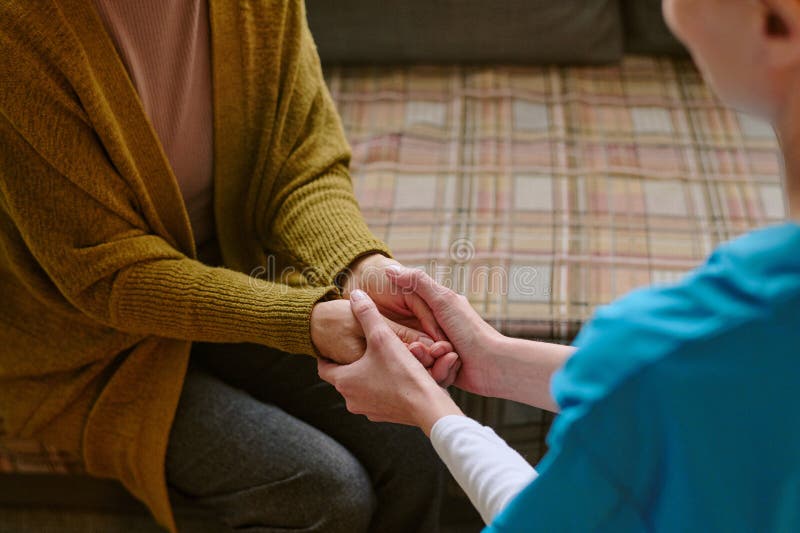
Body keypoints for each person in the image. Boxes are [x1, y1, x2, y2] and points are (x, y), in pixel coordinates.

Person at [318, 0, 800, 531]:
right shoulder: (704, 348)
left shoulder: (672, 345)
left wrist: (427, 408)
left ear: (777, 23)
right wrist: (493, 358)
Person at [0, 1, 458, 532]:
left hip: (239, 276)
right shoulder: (19, 29)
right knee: (319, 493)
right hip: (88, 347)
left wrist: (358, 268)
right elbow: (110, 273)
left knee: (421, 439)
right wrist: (306, 320)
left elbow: (297, 164)